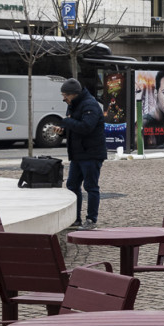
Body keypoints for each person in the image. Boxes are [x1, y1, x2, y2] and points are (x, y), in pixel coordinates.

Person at [59, 79, 107, 227]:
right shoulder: (73, 105)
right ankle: (75, 218)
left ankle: (91, 219)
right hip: (78, 154)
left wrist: (67, 123)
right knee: (72, 185)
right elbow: (74, 126)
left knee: (91, 186)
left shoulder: (90, 105)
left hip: (91, 154)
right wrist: (62, 131)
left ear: (74, 94)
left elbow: (87, 127)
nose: (63, 98)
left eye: (65, 95)